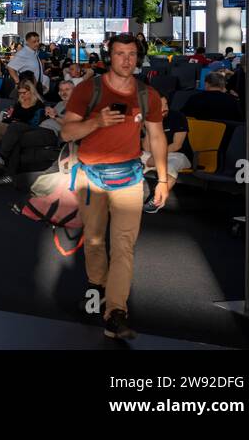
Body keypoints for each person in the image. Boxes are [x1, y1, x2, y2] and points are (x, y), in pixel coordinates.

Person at [60, 33, 168, 340]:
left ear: (138, 57)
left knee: (123, 246)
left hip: (130, 178)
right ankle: (98, 287)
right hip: (91, 176)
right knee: (94, 241)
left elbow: (157, 138)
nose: (126, 60)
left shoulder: (148, 95)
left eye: (132, 54)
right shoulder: (87, 91)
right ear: (110, 56)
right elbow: (67, 132)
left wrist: (162, 179)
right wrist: (97, 123)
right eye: (120, 54)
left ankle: (116, 312)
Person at [0, 80, 62, 183]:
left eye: (67, 90)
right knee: (6, 133)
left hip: (44, 130)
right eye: (61, 90)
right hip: (37, 128)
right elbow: (45, 107)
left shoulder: (74, 106)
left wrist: (55, 116)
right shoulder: (60, 104)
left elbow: (70, 122)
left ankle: (2, 159)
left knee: (13, 131)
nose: (63, 92)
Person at [0, 78, 44, 168]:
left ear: (31, 91)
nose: (22, 95)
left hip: (25, 129)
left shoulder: (38, 104)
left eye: (24, 93)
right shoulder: (19, 102)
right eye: (20, 93)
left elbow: (30, 119)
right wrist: (10, 119)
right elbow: (12, 118)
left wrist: (16, 120)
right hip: (12, 127)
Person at [142, 92, 191, 214]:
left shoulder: (178, 116)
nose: (166, 108)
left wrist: (157, 156)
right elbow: (147, 149)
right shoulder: (147, 118)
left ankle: (157, 200)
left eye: (166, 104)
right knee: (132, 159)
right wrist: (149, 125)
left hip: (177, 154)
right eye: (161, 106)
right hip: (152, 153)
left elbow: (177, 145)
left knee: (171, 166)